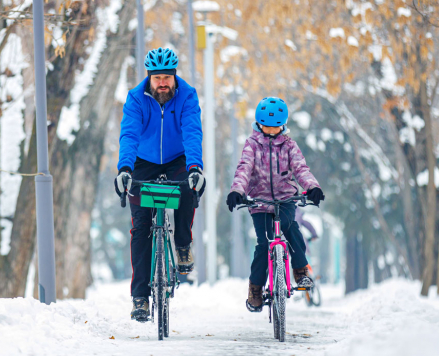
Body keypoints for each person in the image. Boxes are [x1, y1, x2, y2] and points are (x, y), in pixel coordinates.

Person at [115, 48, 205, 322]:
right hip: (143, 161)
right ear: (149, 78)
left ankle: (182, 245)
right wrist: (125, 169)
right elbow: (129, 133)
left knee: (187, 189)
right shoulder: (135, 98)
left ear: (175, 77)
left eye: (167, 77)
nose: (163, 83)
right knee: (141, 227)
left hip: (178, 159)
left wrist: (195, 168)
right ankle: (140, 298)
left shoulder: (187, 96)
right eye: (157, 79)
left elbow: (192, 131)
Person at [225, 97, 325, 313]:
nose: (271, 131)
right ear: (258, 124)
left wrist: (312, 186)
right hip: (259, 202)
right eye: (266, 126)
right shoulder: (252, 145)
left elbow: (301, 168)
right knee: (264, 244)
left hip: (286, 199)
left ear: (283, 125)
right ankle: (255, 289)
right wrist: (237, 191)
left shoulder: (290, 146)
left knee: (292, 230)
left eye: (275, 126)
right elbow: (244, 168)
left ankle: (300, 271)